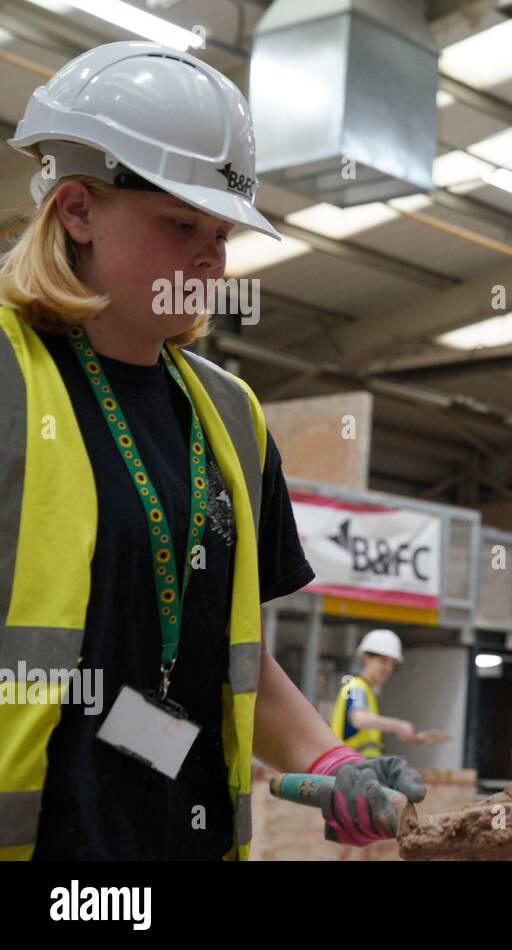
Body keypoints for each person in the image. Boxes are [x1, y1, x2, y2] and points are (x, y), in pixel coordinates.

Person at [0, 42, 422, 860]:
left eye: (222, 233)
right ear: (77, 210)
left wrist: (331, 762)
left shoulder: (229, 416)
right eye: (180, 223)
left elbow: (230, 663)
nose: (211, 258)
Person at [330, 629, 417, 757]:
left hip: (357, 768)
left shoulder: (367, 691)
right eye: (383, 661)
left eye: (392, 663)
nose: (388, 668)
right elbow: (359, 719)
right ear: (366, 659)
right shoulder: (356, 687)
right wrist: (397, 725)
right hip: (350, 768)